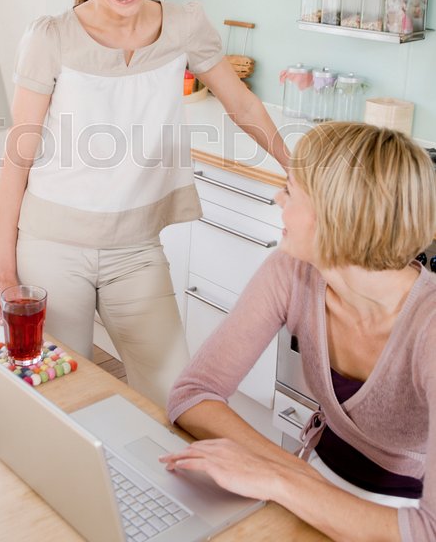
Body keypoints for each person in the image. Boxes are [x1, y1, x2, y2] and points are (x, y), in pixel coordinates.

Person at [0, 0, 289, 406]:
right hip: (52, 247)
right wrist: (2, 264)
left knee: (175, 397)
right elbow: (19, 155)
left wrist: (296, 168)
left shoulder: (184, 25)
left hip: (136, 250)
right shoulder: (51, 39)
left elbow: (242, 104)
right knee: (60, 398)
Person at [163, 122, 436, 541]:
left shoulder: (428, 328)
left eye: (290, 189)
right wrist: (288, 475)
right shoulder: (292, 271)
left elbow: (426, 530)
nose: (277, 197)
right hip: (313, 476)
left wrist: (281, 480)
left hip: (400, 515)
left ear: (335, 215)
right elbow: (192, 394)